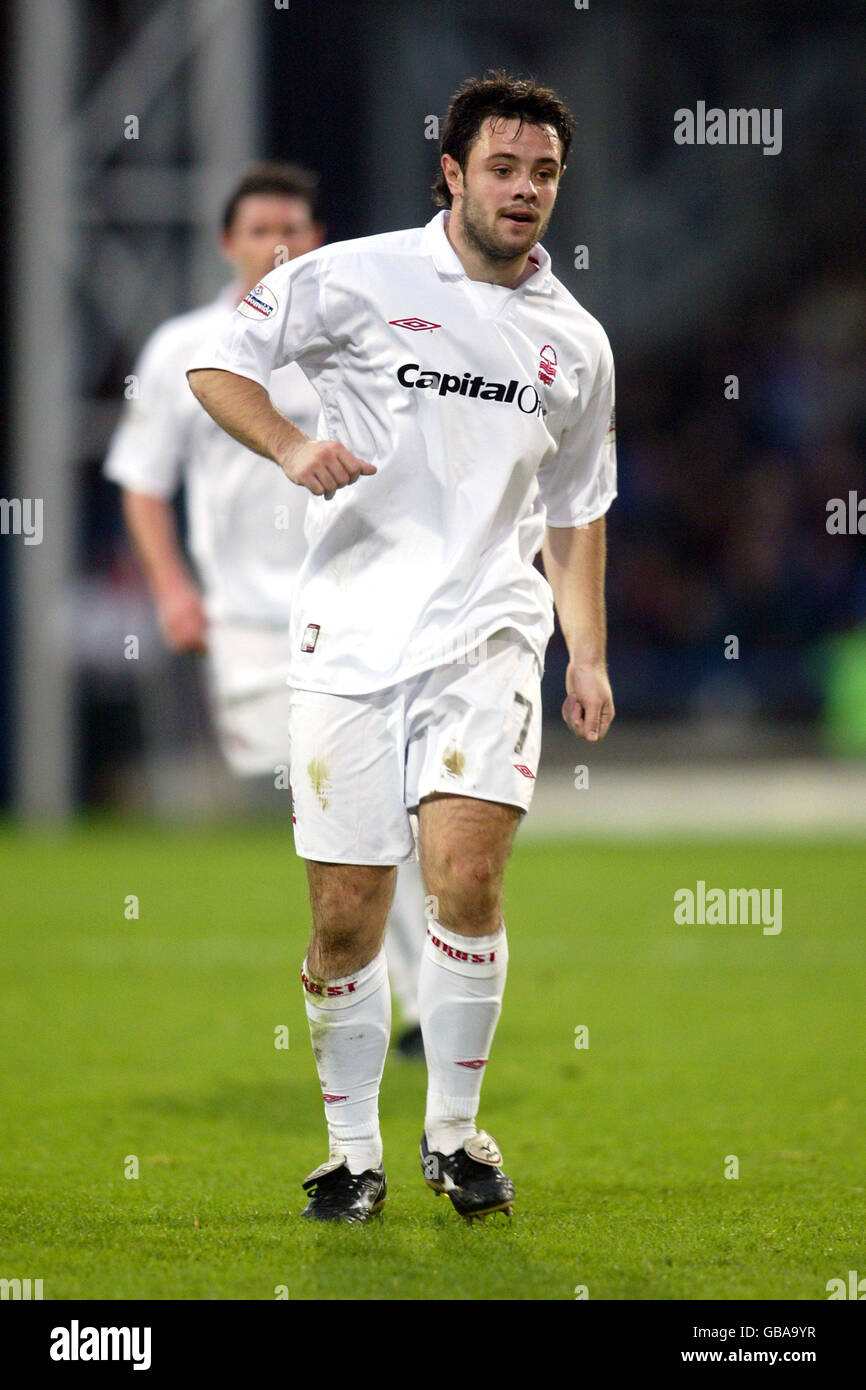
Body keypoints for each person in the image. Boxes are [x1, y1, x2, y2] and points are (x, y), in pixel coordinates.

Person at [187, 73, 617, 1225]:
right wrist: (286, 444)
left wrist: (584, 649)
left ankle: (455, 1135)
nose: (523, 191)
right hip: (349, 636)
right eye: (502, 169)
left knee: (467, 881)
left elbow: (577, 510)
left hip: (487, 632)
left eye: (542, 175)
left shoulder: (574, 342)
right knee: (343, 918)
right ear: (452, 172)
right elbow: (216, 366)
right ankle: (347, 1152)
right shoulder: (353, 276)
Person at [104, 160, 427, 1054]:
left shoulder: (352, 341)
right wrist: (172, 590)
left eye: (293, 230)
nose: (277, 245)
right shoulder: (183, 351)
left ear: (316, 242)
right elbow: (141, 483)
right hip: (245, 620)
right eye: (259, 230)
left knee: (367, 796)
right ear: (227, 243)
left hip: (355, 604)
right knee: (315, 786)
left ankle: (413, 998)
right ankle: (393, 976)